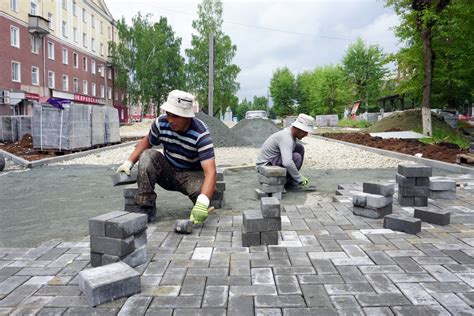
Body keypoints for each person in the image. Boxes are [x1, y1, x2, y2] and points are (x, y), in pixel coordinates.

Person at [116, 90, 216, 223]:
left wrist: (202, 203)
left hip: (191, 176)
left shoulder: (201, 134)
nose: (170, 120)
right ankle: (146, 206)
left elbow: (211, 172)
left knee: (203, 193)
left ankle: (199, 207)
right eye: (168, 114)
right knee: (147, 156)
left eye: (175, 116)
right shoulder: (161, 123)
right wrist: (129, 162)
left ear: (187, 116)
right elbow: (146, 142)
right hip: (168, 172)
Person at [256, 113, 315, 189]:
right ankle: (285, 182)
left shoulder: (289, 135)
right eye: (305, 131)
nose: (306, 134)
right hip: (264, 166)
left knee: (299, 148)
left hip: (271, 161)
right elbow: (287, 162)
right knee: (296, 157)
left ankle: (290, 179)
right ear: (298, 129)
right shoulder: (286, 137)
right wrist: (300, 178)